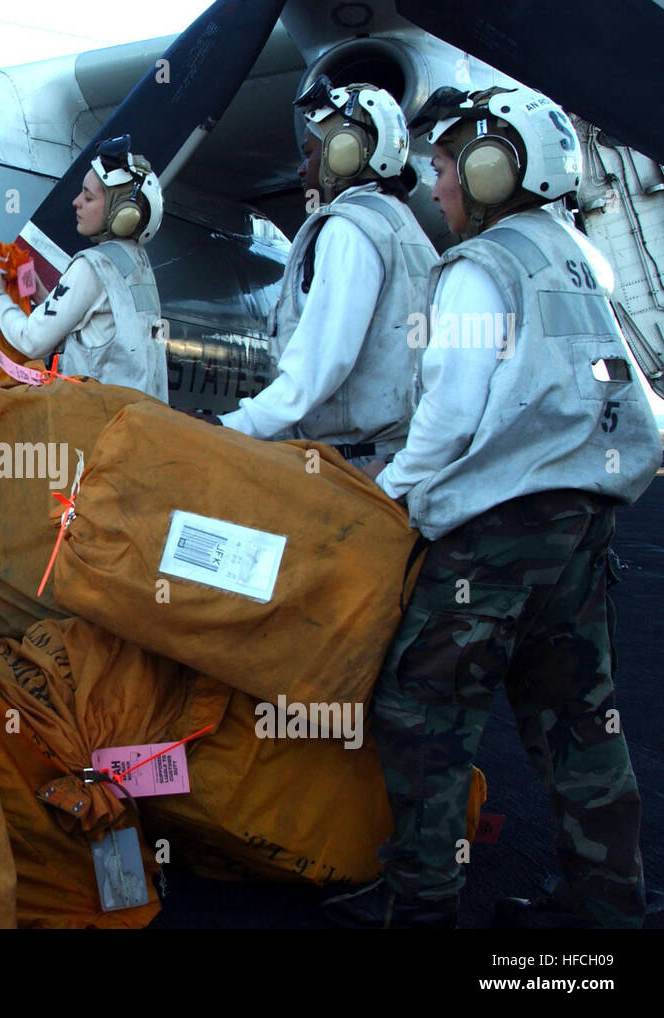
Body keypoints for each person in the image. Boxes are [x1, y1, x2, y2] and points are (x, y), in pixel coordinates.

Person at [323, 86, 661, 929]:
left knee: (421, 708)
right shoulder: (577, 254)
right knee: (578, 715)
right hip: (584, 525)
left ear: (489, 168)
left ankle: (424, 896)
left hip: (500, 534)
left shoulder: (482, 269)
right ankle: (611, 904)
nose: (437, 188)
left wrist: (379, 500)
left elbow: (444, 424)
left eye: (444, 168)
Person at [211, 78, 436, 468]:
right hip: (392, 457)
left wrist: (227, 427)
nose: (301, 169)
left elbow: (318, 365)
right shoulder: (403, 226)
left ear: (344, 152)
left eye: (310, 153)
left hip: (352, 466)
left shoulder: (349, 228)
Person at [0, 135, 168, 402]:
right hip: (133, 423)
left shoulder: (93, 266)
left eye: (88, 197)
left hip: (95, 423)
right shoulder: (136, 263)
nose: (76, 202)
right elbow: (90, 330)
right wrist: (39, 292)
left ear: (121, 212)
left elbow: (32, 342)